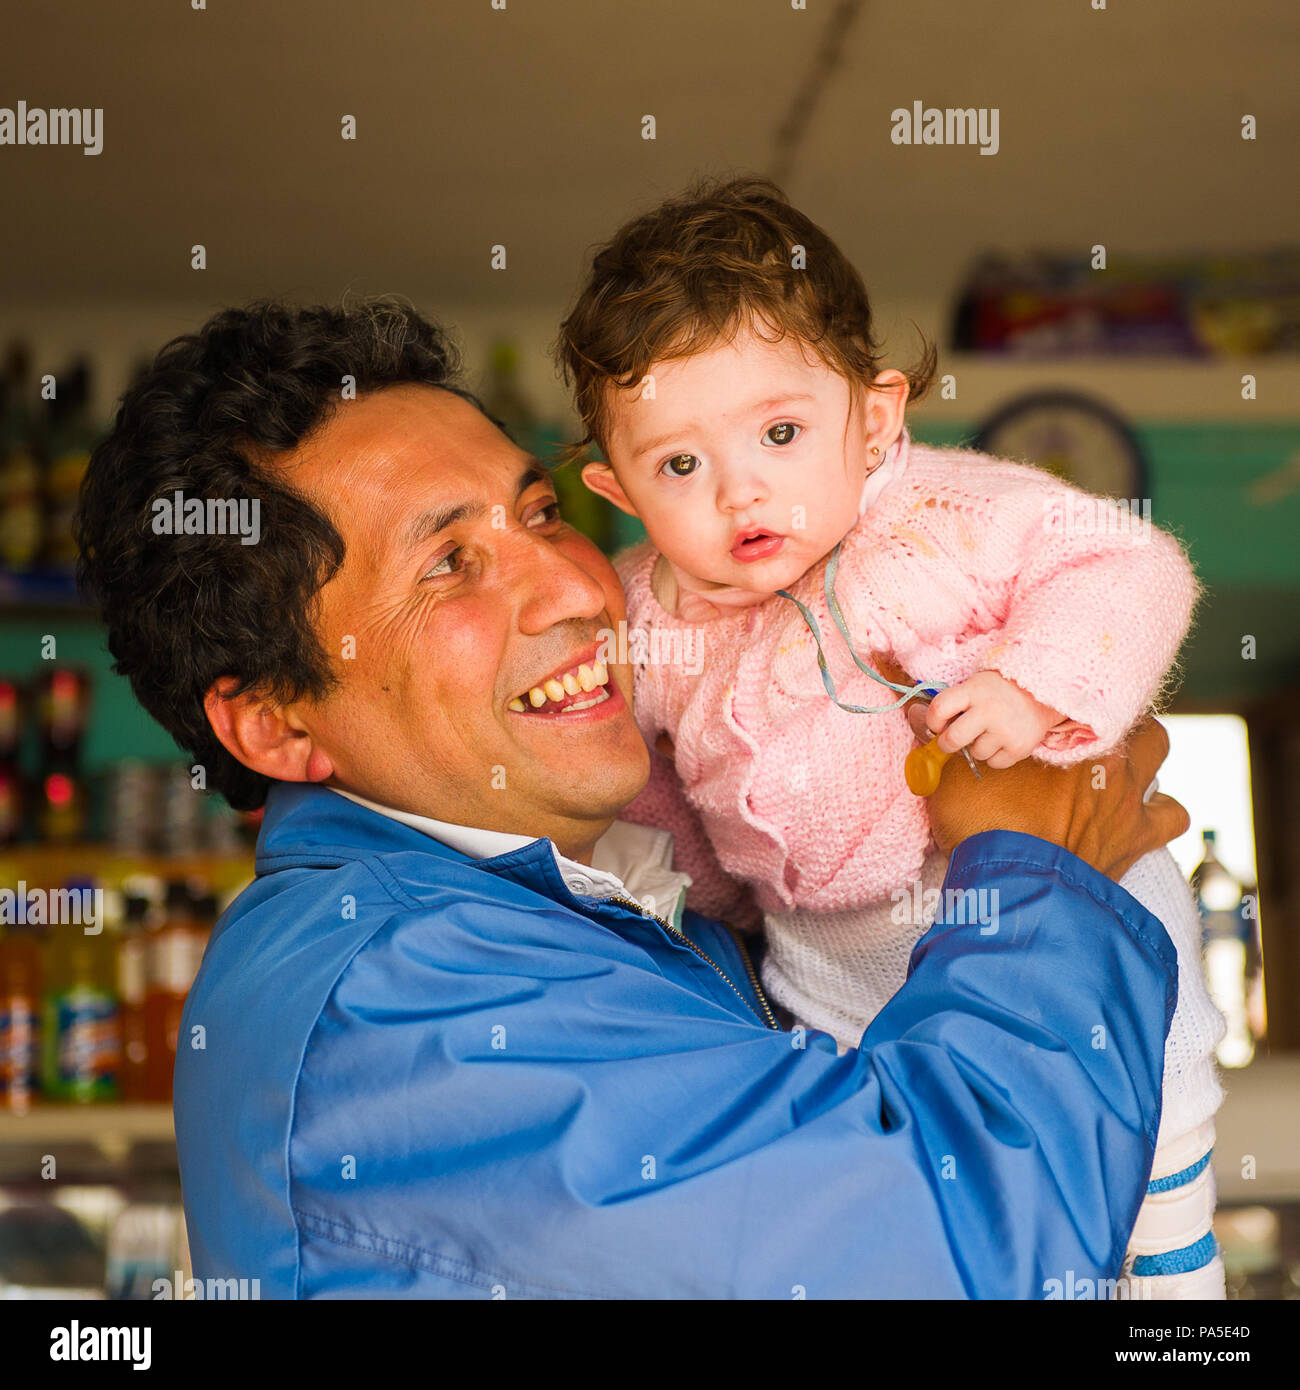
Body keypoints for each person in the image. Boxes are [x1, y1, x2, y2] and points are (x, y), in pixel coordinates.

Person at [77, 299, 1186, 1299]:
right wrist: (1042, 874)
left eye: (542, 513)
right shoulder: (403, 1009)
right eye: (449, 564)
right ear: (276, 721)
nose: (576, 587)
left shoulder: (585, 901)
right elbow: (950, 1262)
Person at [558, 176, 1226, 1297]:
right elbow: (656, 780)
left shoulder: (944, 513)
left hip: (1070, 938)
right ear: (615, 488)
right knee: (925, 1234)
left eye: (780, 431)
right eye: (678, 464)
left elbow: (1127, 566)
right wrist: (689, 898)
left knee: (1150, 1228)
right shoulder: (645, 613)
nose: (739, 492)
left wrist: (1030, 683)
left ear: (874, 420)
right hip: (825, 983)